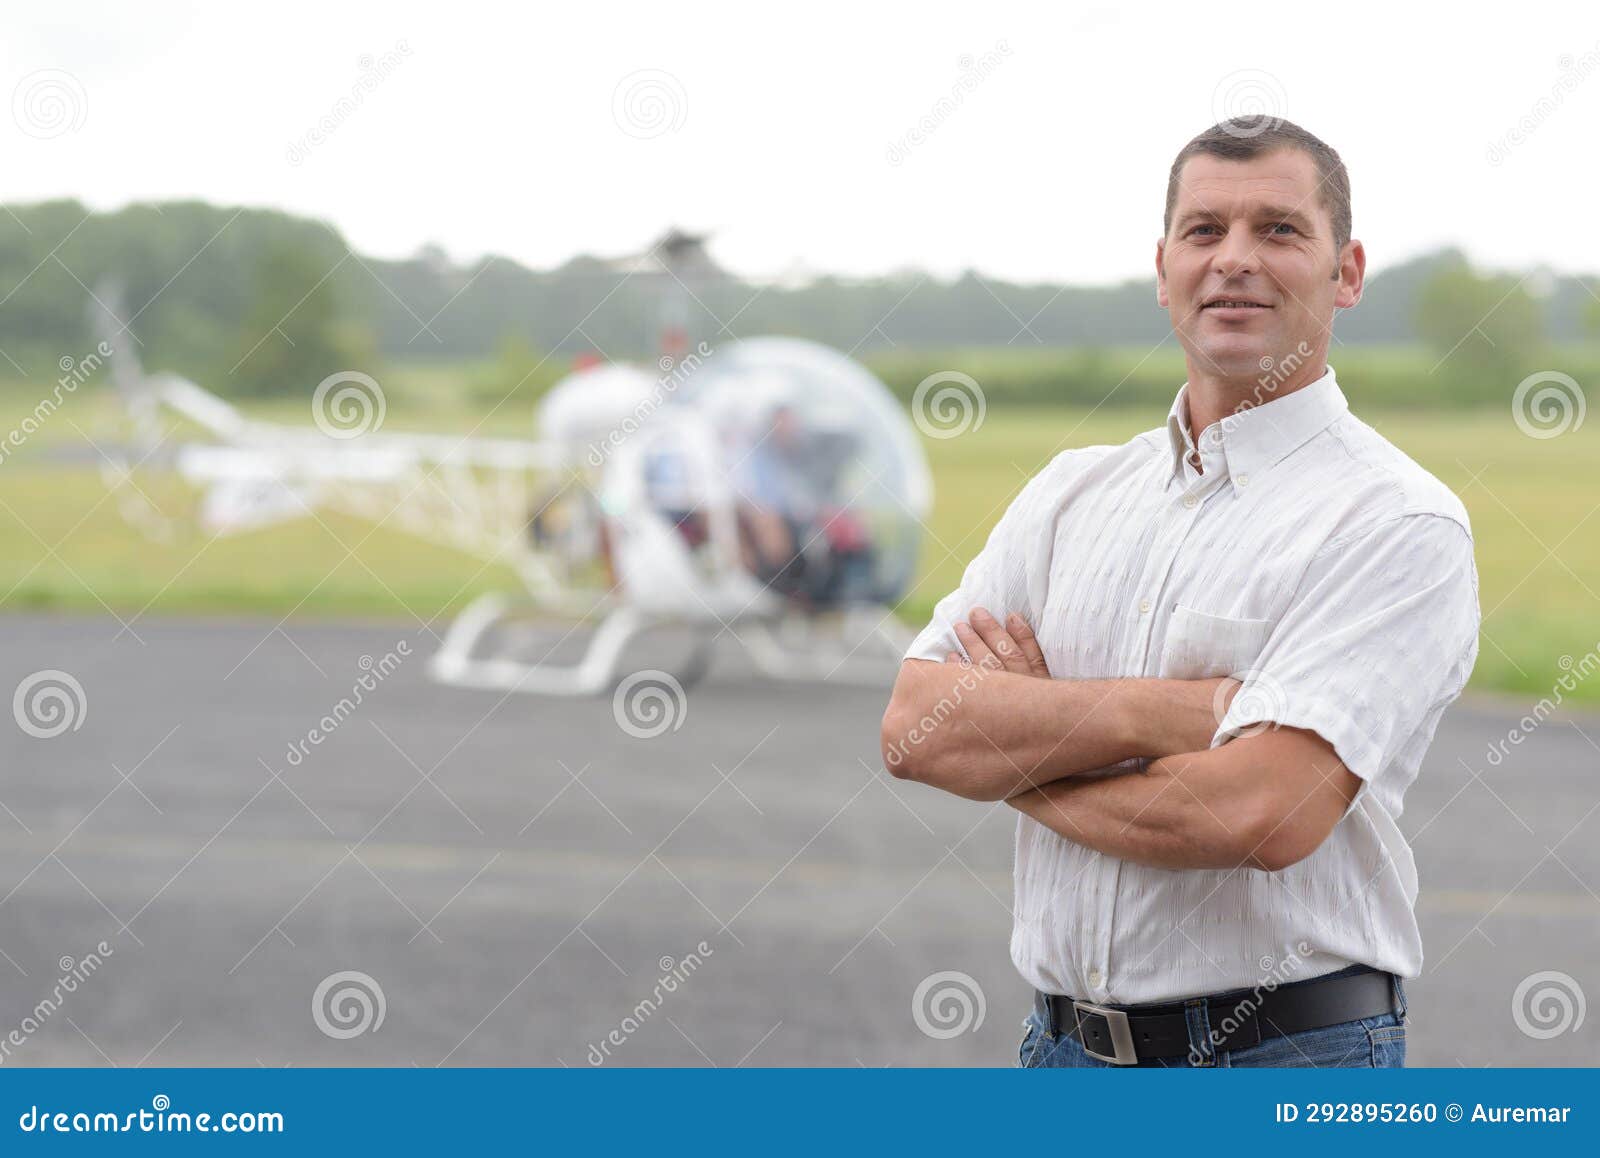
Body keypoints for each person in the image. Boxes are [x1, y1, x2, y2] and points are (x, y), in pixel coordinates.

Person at [881, 117, 1480, 1068]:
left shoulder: (1396, 522)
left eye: (1279, 230)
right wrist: (1181, 712)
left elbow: (1257, 814)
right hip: (1058, 1052)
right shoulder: (1071, 495)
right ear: (1164, 271)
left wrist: (1020, 751)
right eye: (1204, 230)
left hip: (1285, 1058)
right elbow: (917, 730)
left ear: (1348, 272)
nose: (1234, 259)